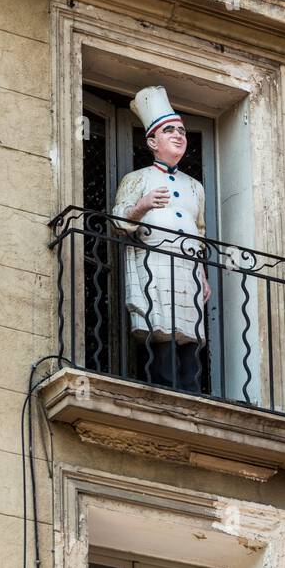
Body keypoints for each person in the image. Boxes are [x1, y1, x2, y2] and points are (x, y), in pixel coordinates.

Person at [112, 86, 211, 393]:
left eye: (182, 131)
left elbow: (201, 231)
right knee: (160, 330)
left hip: (188, 268)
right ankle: (163, 388)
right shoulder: (137, 178)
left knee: (189, 334)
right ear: (152, 141)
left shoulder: (195, 186)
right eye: (169, 131)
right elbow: (118, 219)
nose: (179, 135)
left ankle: (191, 390)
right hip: (153, 261)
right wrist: (141, 206)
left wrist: (203, 274)